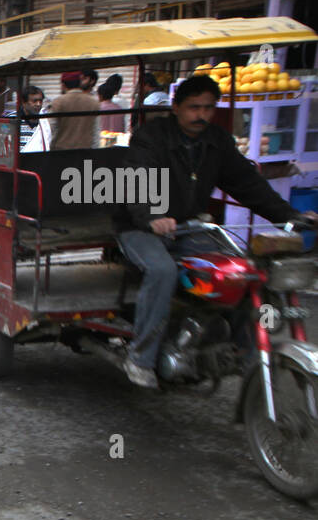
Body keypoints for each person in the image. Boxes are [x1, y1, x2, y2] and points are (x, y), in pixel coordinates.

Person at [116, 75, 314, 388]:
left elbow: (247, 184)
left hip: (190, 226)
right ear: (177, 107)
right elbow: (136, 178)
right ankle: (140, 358)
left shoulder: (217, 141)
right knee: (162, 270)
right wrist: (152, 216)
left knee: (243, 272)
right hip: (140, 227)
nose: (202, 115)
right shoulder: (150, 136)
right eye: (194, 107)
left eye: (208, 108)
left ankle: (244, 351)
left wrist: (289, 216)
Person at [49, 70, 100, 150]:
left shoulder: (57, 102)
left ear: (63, 85)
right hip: (87, 154)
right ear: (80, 83)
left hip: (62, 154)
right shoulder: (93, 102)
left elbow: (51, 130)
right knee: (88, 163)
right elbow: (96, 133)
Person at [16, 86, 50, 150]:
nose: (38, 104)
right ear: (24, 102)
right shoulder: (13, 119)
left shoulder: (45, 121)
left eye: (40, 101)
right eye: (34, 101)